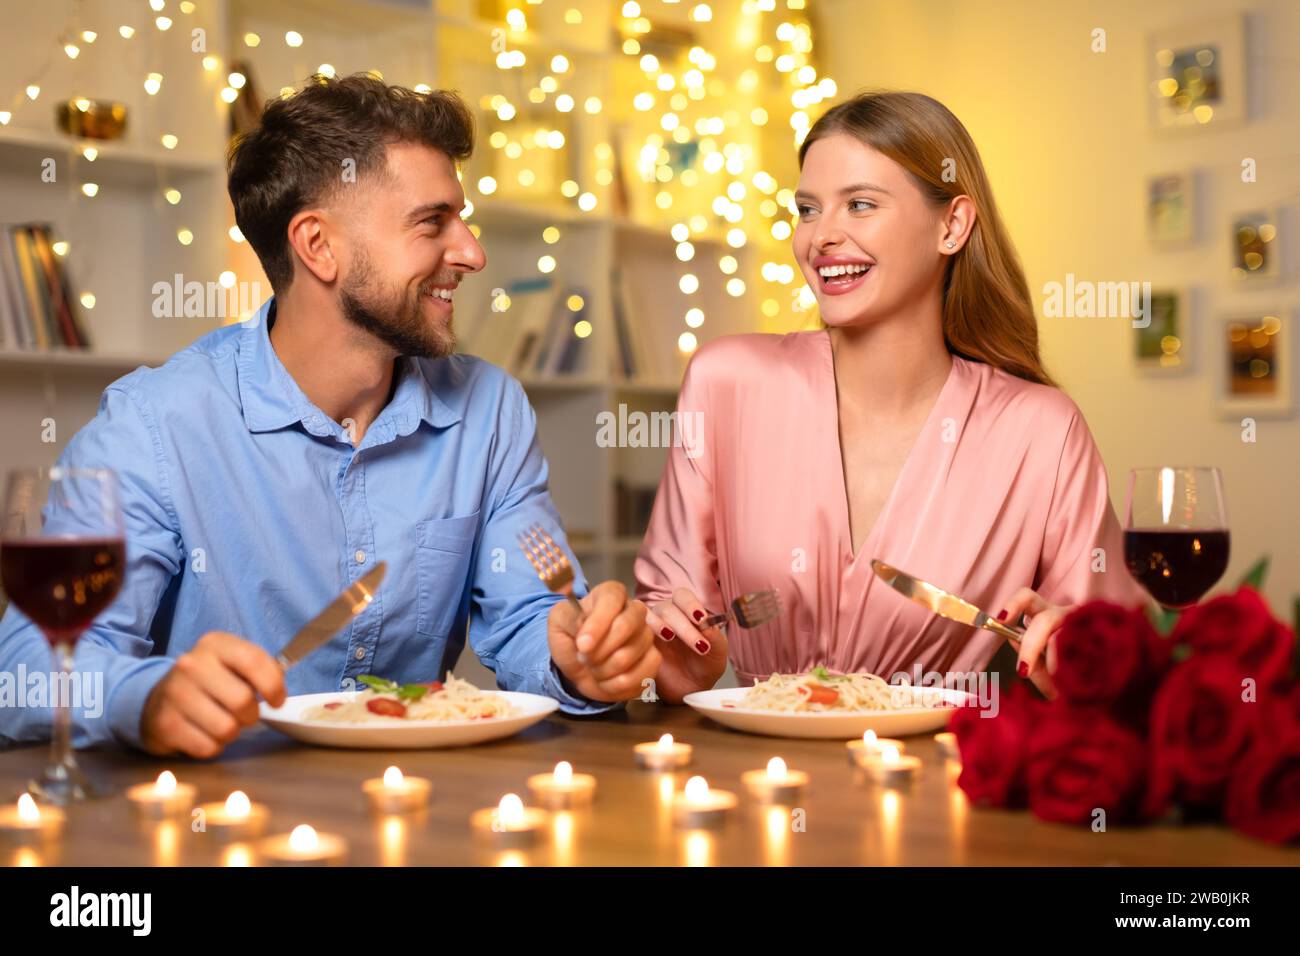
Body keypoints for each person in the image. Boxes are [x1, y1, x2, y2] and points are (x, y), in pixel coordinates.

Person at [0, 74, 659, 758]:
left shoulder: (489, 413)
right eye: (433, 222)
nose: (471, 253)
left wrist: (578, 657)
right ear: (318, 247)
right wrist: (148, 696)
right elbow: (30, 666)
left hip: (406, 816)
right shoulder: (155, 425)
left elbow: (532, 615)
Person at [635, 91, 1149, 704]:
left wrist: (1072, 656)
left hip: (943, 788)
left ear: (951, 225)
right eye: (806, 210)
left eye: (859, 205)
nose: (821, 237)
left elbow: (1120, 668)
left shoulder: (1041, 431)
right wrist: (666, 657)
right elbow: (664, 637)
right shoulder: (728, 382)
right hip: (757, 777)